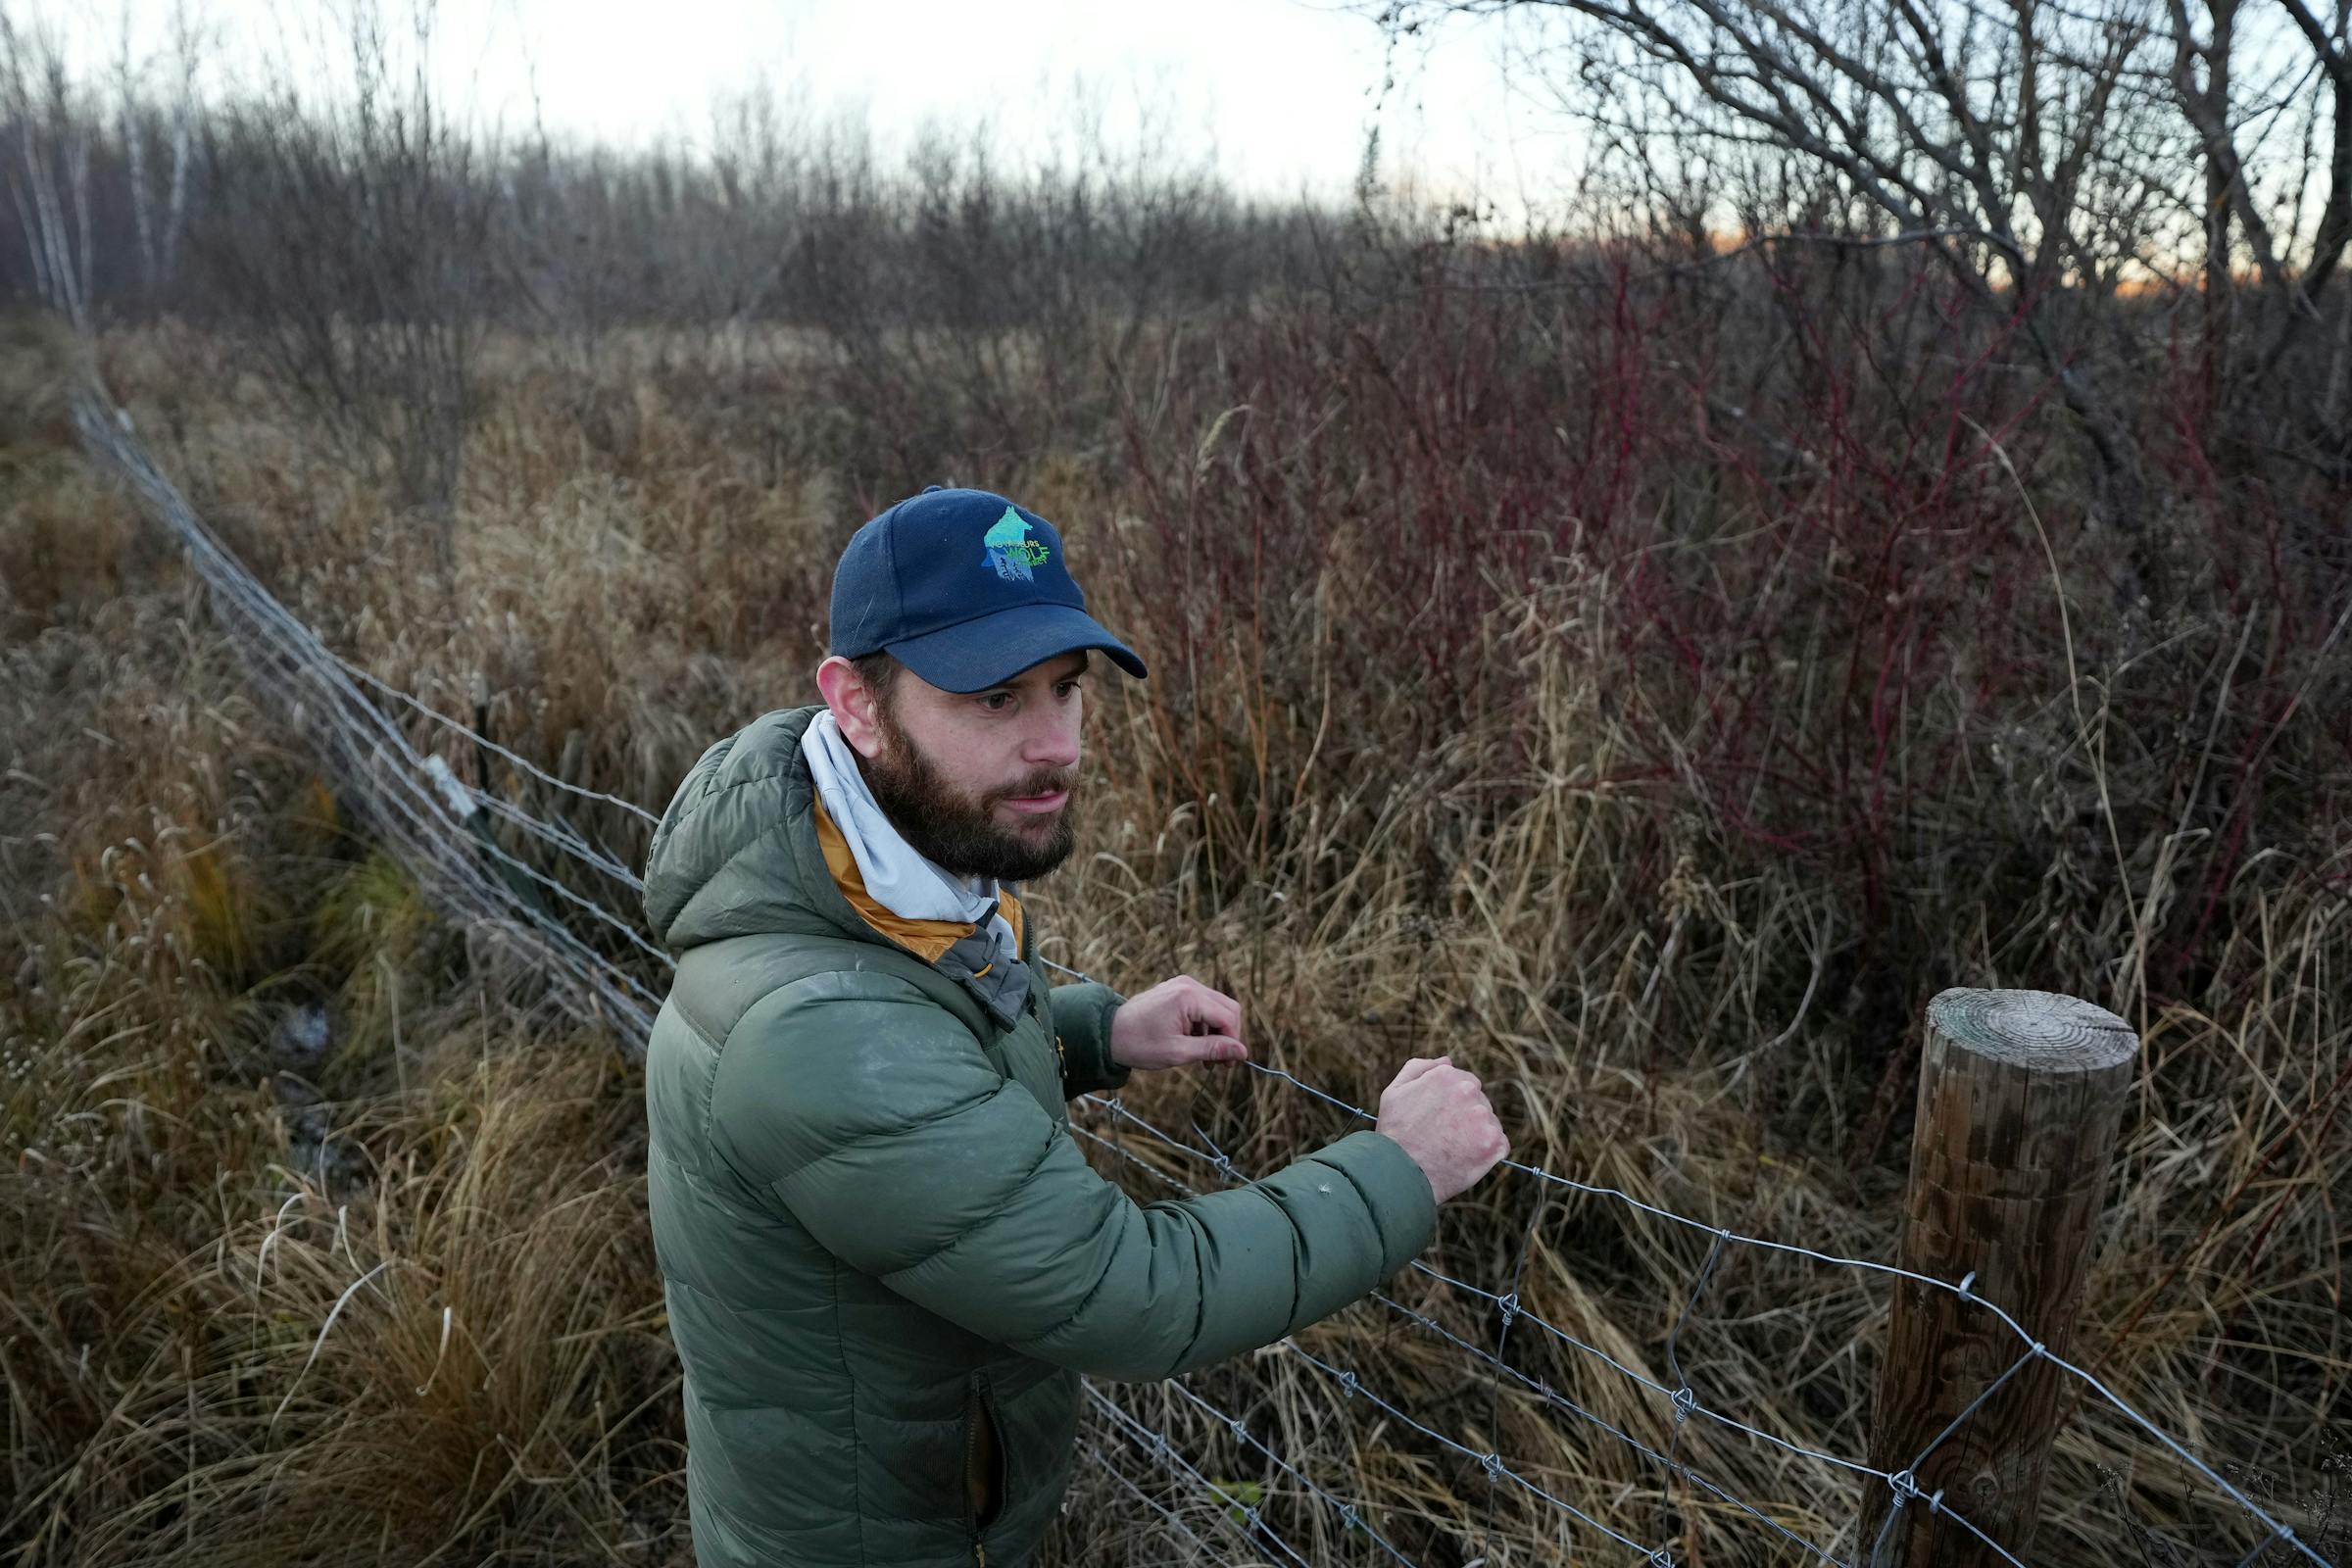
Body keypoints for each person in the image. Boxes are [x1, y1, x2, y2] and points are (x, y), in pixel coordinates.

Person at [640, 486, 1510, 1568]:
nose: (1055, 745)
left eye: (1066, 689)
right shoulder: (808, 1026)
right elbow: (1130, 1290)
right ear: (856, 703)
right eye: (995, 698)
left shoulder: (875, 867)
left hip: (928, 1498)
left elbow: (927, 1051)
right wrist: (1396, 1171)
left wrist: (1096, 1034)